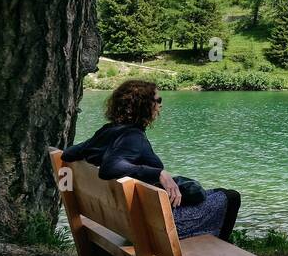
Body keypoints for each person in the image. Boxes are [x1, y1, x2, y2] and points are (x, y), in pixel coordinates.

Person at [62, 79, 242, 241]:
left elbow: (67, 154)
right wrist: (159, 173)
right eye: (158, 101)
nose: (161, 106)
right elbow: (110, 167)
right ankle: (218, 252)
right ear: (143, 105)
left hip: (126, 221)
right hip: (153, 230)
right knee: (231, 197)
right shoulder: (133, 137)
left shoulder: (108, 131)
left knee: (217, 192)